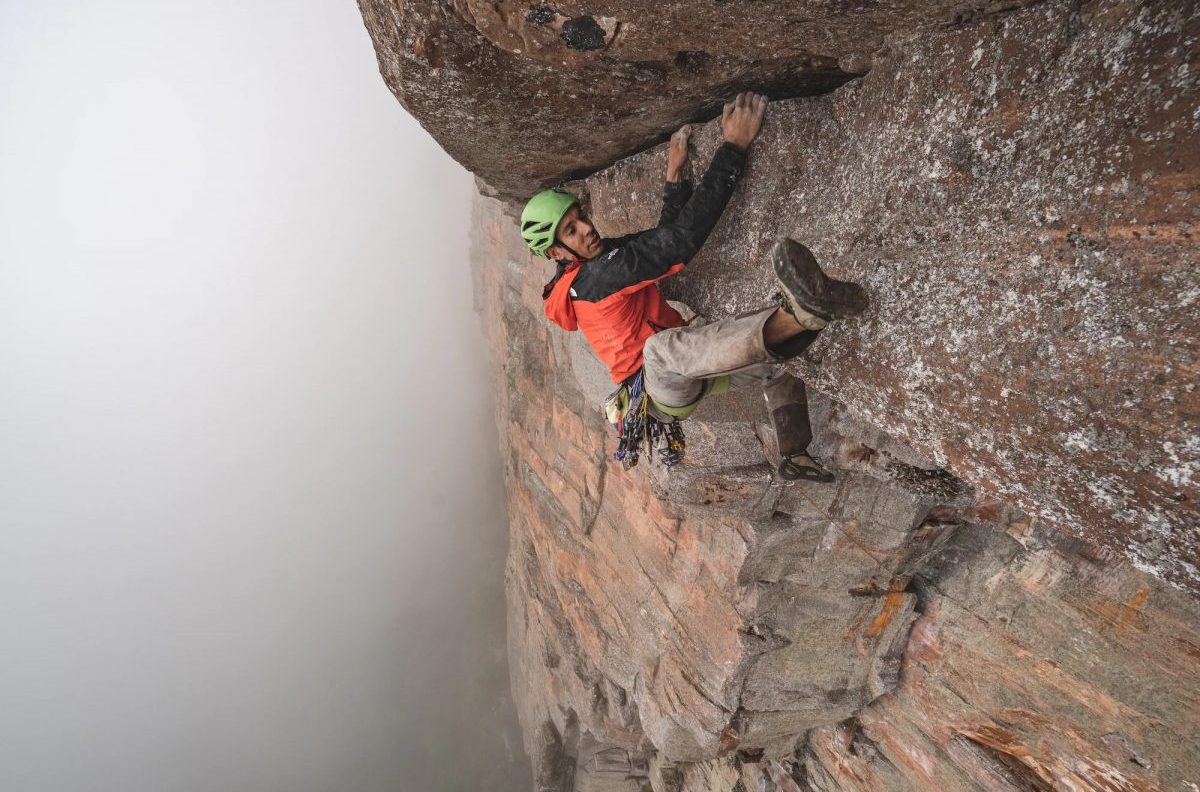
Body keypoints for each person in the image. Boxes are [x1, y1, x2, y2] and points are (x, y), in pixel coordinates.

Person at [521, 93, 867, 480]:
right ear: (555, 252)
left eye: (580, 217)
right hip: (662, 383)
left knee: (774, 365)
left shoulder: (595, 266)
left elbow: (663, 243)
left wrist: (675, 179)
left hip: (689, 375)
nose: (587, 228)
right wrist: (733, 149)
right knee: (661, 349)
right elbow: (682, 245)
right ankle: (801, 315)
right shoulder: (595, 278)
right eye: (571, 230)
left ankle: (794, 454)